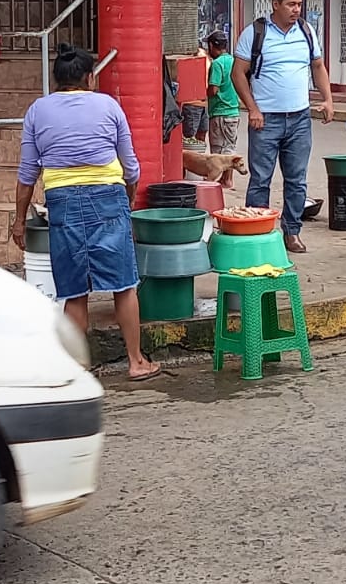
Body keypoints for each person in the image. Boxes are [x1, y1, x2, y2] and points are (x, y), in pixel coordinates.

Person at [12, 44, 160, 382]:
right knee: (124, 285)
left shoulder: (38, 110)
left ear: (56, 80)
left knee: (74, 290)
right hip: (108, 197)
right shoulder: (108, 105)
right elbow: (131, 168)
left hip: (62, 201)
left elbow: (26, 176)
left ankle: (77, 367)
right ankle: (136, 361)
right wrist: (128, 198)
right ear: (89, 78)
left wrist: (19, 221)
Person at [231, 0, 335, 254]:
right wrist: (252, 108)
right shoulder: (255, 33)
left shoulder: (306, 31)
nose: (296, 9)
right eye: (291, 4)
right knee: (260, 179)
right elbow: (238, 73)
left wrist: (327, 99)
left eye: (299, 4)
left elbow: (318, 66)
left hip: (299, 119)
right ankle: (256, 232)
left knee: (297, 180)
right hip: (265, 120)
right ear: (275, 4)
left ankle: (292, 232)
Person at [204, 30, 241, 188]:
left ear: (212, 46)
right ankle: (228, 179)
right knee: (230, 147)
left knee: (218, 149)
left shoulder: (217, 64)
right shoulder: (233, 61)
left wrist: (202, 93)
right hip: (234, 111)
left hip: (220, 111)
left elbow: (214, 89)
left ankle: (223, 180)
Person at [179, 42, 210, 144]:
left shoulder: (203, 55)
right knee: (190, 136)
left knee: (201, 133)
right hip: (192, 102)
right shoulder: (189, 58)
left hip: (202, 101)